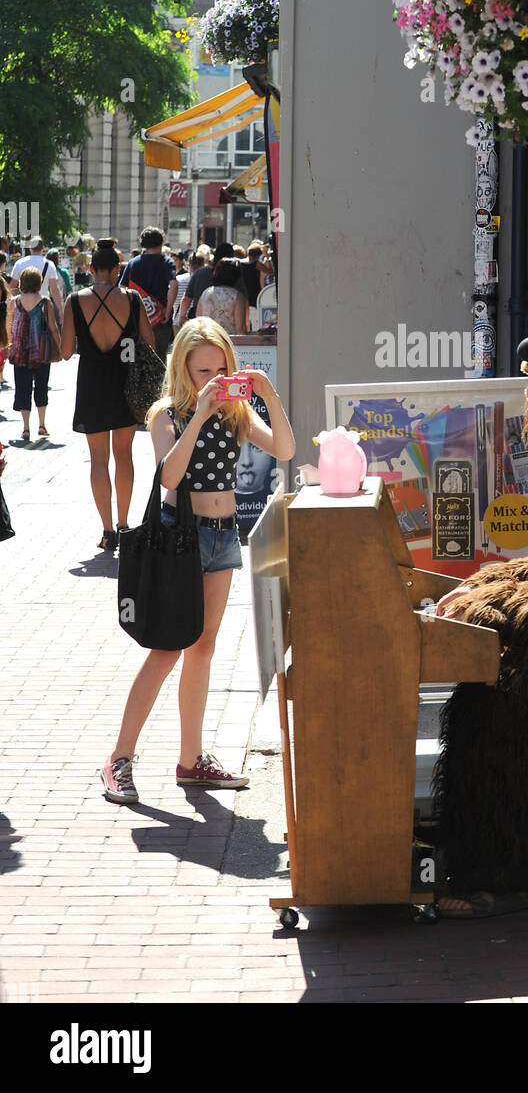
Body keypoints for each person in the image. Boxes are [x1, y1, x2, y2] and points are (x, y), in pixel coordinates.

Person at [100, 317, 295, 803]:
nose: (211, 378)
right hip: (180, 540)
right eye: (201, 369)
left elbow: (286, 449)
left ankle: (192, 759)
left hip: (224, 539)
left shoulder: (237, 412)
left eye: (220, 368)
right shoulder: (165, 414)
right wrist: (201, 416)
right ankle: (119, 758)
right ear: (182, 368)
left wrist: (267, 396)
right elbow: (169, 477)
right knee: (167, 648)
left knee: (203, 649)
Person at [61, 238, 157, 551]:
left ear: (90, 269)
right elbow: (150, 346)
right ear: (118, 269)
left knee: (98, 459)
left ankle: (106, 531)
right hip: (125, 382)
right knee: (124, 455)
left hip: (92, 385)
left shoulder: (75, 301)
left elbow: (64, 352)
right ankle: (124, 524)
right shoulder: (131, 299)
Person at [8, 265, 61, 441]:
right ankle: (42, 425)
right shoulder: (45, 302)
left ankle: (25, 428)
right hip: (42, 352)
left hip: (20, 352)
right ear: (39, 283)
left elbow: (9, 327)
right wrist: (59, 348)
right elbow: (53, 328)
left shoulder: (14, 302)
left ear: (22, 282)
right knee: (41, 387)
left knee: (22, 388)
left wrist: (8, 345)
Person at [119, 227, 177, 365]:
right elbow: (173, 285)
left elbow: (122, 288)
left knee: (137, 358)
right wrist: (168, 311)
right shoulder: (167, 262)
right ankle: (157, 386)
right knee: (159, 358)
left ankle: (138, 385)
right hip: (160, 319)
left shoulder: (133, 263)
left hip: (137, 318)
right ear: (161, 242)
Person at [178, 241, 235, 325]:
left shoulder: (200, 272)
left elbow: (187, 298)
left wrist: (182, 317)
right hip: (228, 321)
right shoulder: (236, 274)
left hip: (201, 320)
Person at [9, 237, 64, 318]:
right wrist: (60, 309)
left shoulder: (19, 263)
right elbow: (54, 290)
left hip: (23, 307)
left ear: (30, 248)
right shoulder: (49, 264)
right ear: (42, 248)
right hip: (43, 306)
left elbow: (12, 287)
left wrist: (15, 306)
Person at [196, 259, 249, 335]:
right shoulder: (237, 296)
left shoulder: (205, 294)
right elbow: (240, 328)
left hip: (209, 340)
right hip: (228, 342)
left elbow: (198, 323)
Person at [241, 241, 274, 331]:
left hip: (243, 292)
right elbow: (270, 271)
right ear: (258, 255)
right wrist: (267, 256)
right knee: (256, 319)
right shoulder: (256, 264)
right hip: (255, 292)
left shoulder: (240, 263)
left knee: (245, 318)